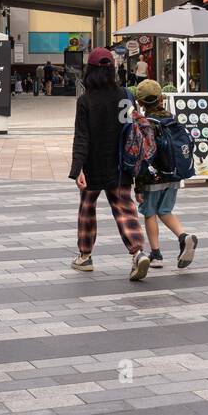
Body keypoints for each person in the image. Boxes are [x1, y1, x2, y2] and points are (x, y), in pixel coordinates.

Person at [69, 48, 152, 281]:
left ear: (91, 72)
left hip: (94, 165)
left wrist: (78, 169)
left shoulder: (86, 100)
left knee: (87, 209)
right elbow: (133, 131)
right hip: (121, 164)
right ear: (112, 71)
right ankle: (137, 252)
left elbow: (82, 137)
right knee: (125, 210)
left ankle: (85, 257)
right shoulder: (125, 95)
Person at [132, 79, 198, 270]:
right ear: (161, 98)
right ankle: (184, 237)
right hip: (174, 175)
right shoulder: (172, 118)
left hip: (153, 177)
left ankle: (156, 254)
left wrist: (139, 186)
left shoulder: (145, 124)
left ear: (141, 103)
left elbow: (143, 157)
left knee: (150, 213)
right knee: (165, 211)